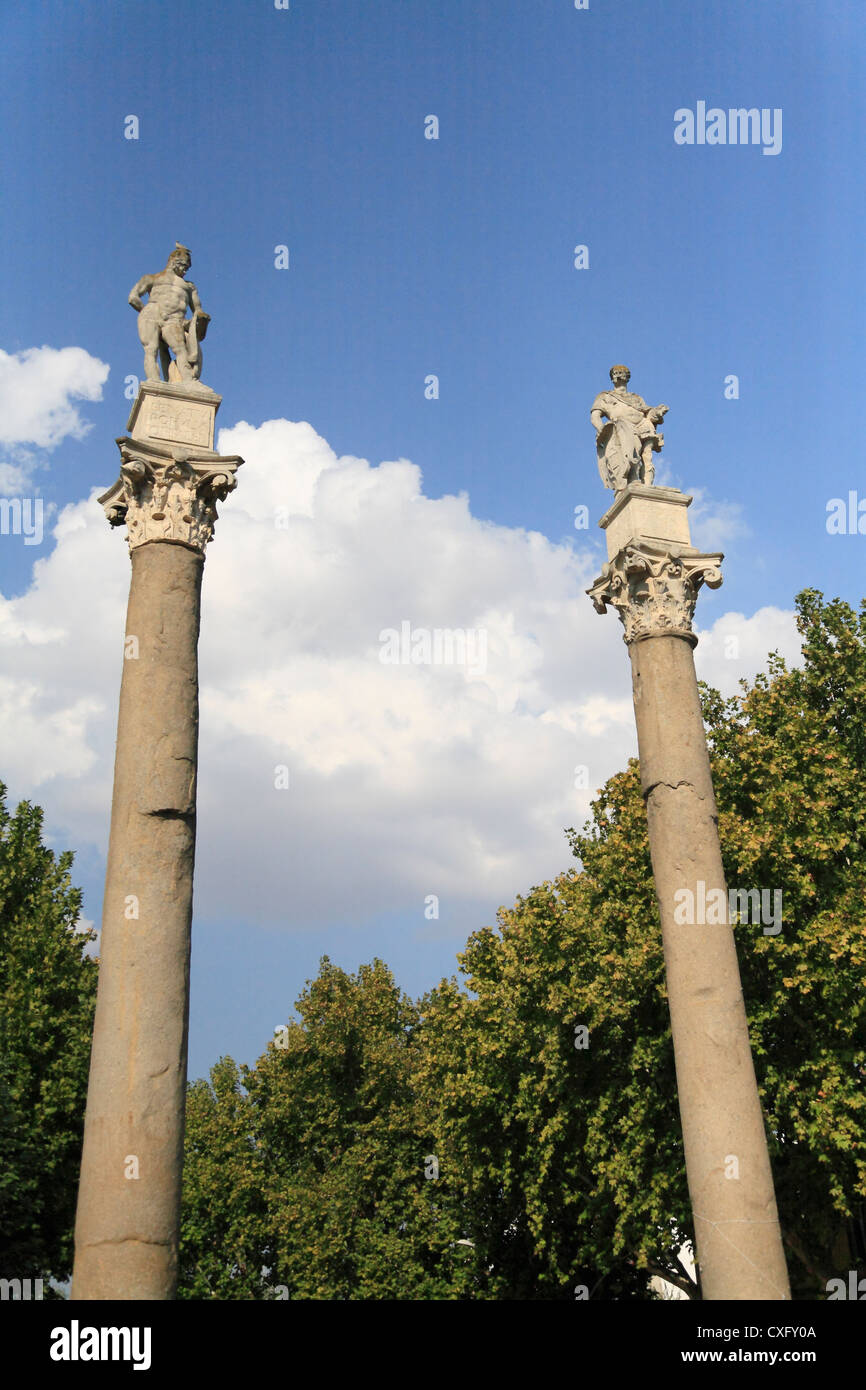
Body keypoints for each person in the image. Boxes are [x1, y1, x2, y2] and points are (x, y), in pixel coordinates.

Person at [128, 243, 210, 383]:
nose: (185, 270)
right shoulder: (152, 278)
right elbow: (133, 297)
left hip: (174, 319)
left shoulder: (189, 287)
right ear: (173, 262)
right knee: (151, 349)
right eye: (184, 265)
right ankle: (154, 381)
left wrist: (200, 320)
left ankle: (188, 381)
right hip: (151, 315)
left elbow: (197, 309)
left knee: (180, 349)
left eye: (187, 267)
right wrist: (147, 311)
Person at [590, 365, 668, 491]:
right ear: (612, 378)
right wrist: (603, 430)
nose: (618, 375)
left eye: (621, 372)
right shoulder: (605, 396)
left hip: (643, 424)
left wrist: (657, 412)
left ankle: (648, 485)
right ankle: (634, 480)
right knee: (633, 453)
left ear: (627, 377)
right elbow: (595, 417)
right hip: (623, 427)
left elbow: (648, 413)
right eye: (615, 373)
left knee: (647, 456)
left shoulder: (636, 398)